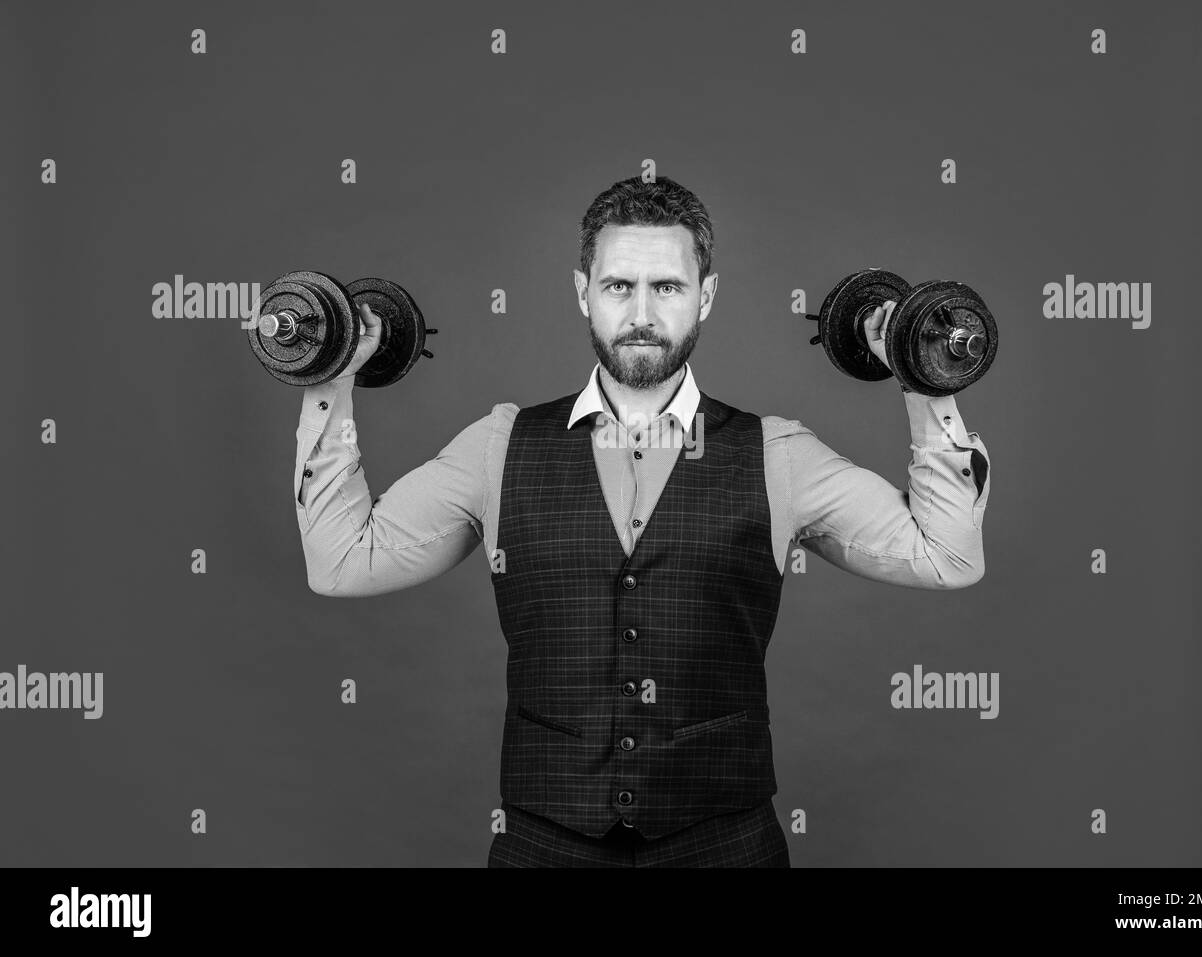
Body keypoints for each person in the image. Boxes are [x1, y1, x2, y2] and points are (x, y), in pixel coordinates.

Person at [291, 175, 991, 867]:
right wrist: (330, 383)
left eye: (669, 287)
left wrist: (922, 376)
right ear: (582, 292)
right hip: (543, 845)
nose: (642, 313)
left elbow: (946, 556)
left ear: (705, 297)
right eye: (620, 285)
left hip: (725, 846)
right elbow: (343, 562)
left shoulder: (778, 454)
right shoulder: (500, 446)